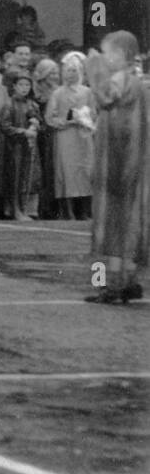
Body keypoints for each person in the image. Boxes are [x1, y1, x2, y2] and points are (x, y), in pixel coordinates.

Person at [83, 30, 148, 303]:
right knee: (131, 220)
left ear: (121, 56)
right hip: (135, 160)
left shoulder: (120, 80)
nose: (105, 57)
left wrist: (93, 65)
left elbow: (103, 96)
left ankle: (114, 285)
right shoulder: (140, 83)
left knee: (113, 221)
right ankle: (130, 280)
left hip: (117, 161)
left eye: (108, 52)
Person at [46, 52, 95, 221]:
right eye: (68, 70)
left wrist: (85, 118)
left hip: (83, 135)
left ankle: (85, 210)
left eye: (74, 70)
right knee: (65, 171)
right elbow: (49, 117)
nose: (71, 74)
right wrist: (65, 121)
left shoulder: (87, 92)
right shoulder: (57, 93)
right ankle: (67, 211)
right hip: (65, 136)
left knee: (85, 170)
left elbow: (95, 113)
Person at [0, 69, 41, 221]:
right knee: (15, 179)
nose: (24, 88)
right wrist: (23, 132)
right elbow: (4, 126)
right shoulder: (8, 104)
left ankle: (24, 209)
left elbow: (38, 122)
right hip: (14, 147)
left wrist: (36, 125)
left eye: (27, 85)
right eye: (21, 84)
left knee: (27, 178)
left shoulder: (32, 105)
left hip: (29, 147)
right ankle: (15, 209)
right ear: (14, 86)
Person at [31, 57, 61, 219]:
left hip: (56, 135)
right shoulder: (35, 94)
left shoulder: (61, 91)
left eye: (56, 72)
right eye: (51, 73)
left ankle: (54, 207)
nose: (55, 76)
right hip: (41, 136)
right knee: (43, 171)